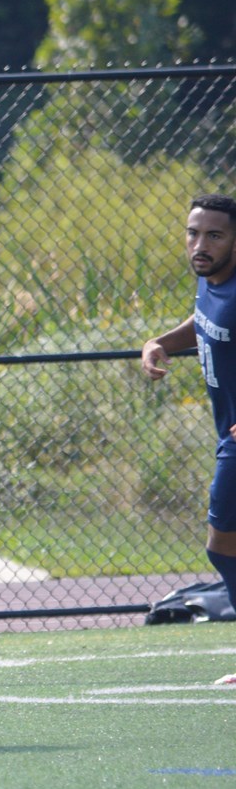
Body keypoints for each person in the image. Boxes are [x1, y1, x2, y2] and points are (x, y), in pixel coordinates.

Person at [140, 193, 236, 688]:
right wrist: (159, 342)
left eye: (214, 235)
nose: (200, 244)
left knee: (223, 546)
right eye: (193, 233)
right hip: (229, 438)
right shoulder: (210, 285)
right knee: (224, 546)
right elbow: (203, 326)